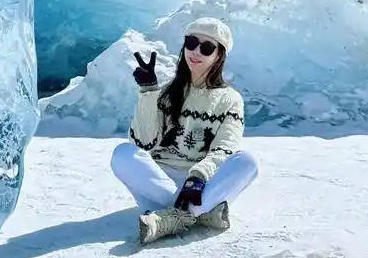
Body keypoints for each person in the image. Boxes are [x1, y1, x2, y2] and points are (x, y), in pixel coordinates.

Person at [111, 18, 259, 245]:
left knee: (247, 162)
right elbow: (143, 142)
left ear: (218, 55)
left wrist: (198, 176)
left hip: (203, 184)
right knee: (122, 154)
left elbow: (225, 146)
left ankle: (172, 216)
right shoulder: (167, 93)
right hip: (160, 180)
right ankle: (201, 214)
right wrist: (148, 92)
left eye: (207, 47)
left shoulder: (230, 99)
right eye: (191, 42)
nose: (196, 51)